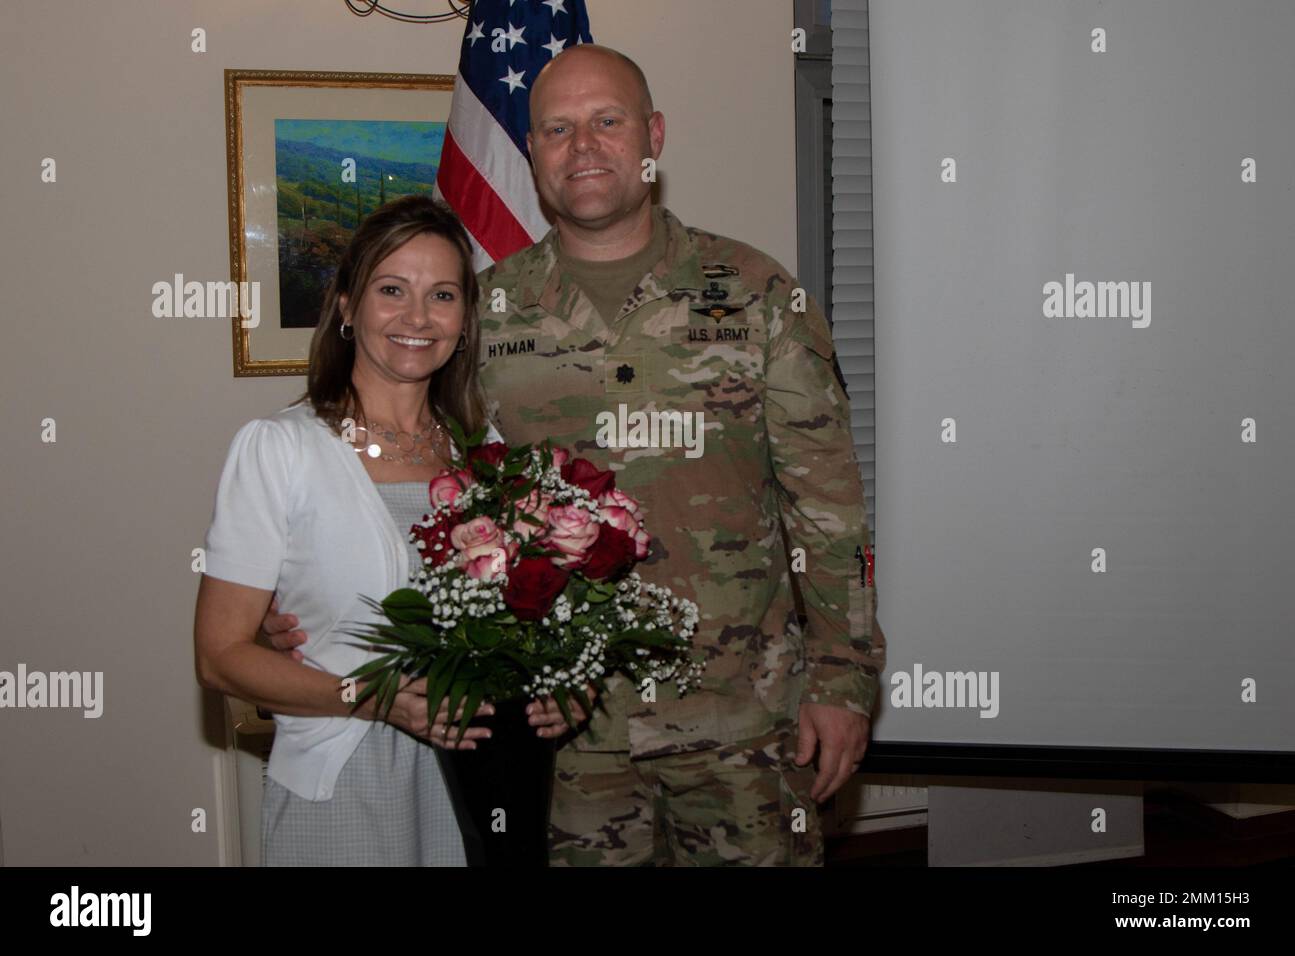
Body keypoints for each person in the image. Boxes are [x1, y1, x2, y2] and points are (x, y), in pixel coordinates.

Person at [266, 44, 885, 866]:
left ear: (652, 136)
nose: (582, 146)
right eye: (556, 128)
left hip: (743, 719)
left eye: (607, 122)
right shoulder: (485, 312)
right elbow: (432, 490)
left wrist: (843, 681)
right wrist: (315, 611)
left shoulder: (758, 293)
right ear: (531, 154)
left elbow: (828, 506)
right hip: (561, 729)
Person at [194, 196, 498, 866]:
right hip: (339, 786)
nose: (417, 317)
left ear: (465, 321)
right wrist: (376, 699)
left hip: (474, 784)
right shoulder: (279, 448)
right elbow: (218, 656)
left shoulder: (486, 454)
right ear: (346, 307)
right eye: (392, 290)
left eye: (442, 294)